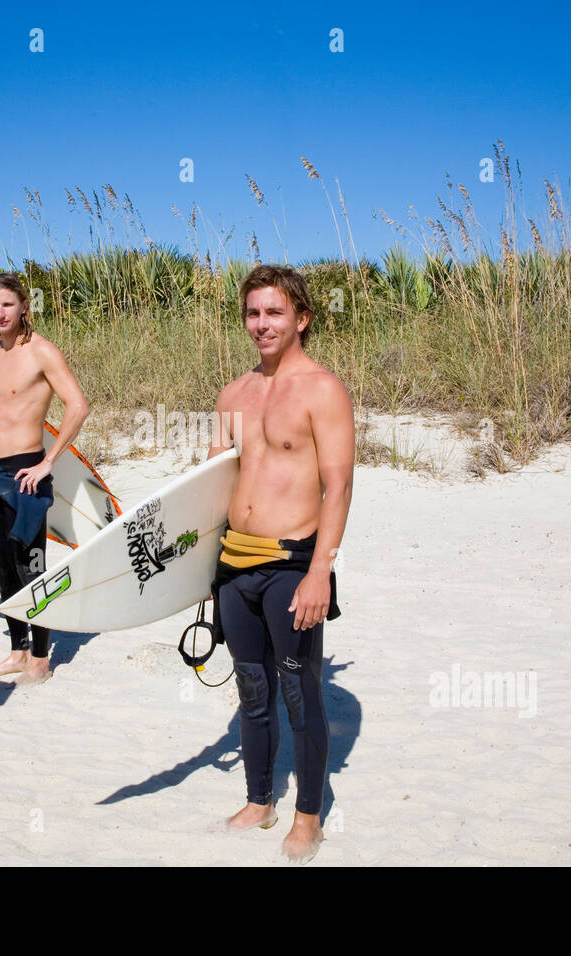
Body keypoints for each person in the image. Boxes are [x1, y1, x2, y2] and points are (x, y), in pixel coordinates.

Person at [208, 264, 354, 863]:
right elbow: (208, 482)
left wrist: (320, 570)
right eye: (253, 313)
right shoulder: (231, 394)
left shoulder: (323, 389)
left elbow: (339, 486)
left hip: (293, 564)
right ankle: (260, 798)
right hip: (235, 563)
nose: (262, 324)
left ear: (302, 318)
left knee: (298, 690)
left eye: (274, 312)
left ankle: (309, 817)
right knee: (251, 687)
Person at [0, 273, 89, 685]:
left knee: (32, 566)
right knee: (1, 565)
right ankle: (18, 649)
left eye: (7, 305)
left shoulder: (41, 351)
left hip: (25, 471)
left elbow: (78, 406)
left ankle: (40, 657)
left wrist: (48, 461)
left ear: (23, 307)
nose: (0, 313)